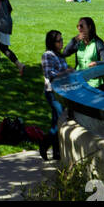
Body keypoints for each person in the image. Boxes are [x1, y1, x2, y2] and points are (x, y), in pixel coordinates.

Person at [39, 30, 70, 160]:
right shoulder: (48, 55)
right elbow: (48, 74)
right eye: (59, 40)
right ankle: (45, 144)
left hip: (62, 92)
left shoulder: (60, 55)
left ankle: (57, 152)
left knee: (56, 121)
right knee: (61, 121)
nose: (61, 42)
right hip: (53, 93)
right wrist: (65, 72)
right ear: (52, 43)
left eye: (62, 39)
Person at [63, 16, 104, 89]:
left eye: (81, 26)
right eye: (78, 26)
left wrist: (96, 63)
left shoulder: (98, 43)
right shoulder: (78, 43)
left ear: (89, 27)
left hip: (94, 82)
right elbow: (65, 53)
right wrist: (74, 39)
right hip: (79, 80)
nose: (79, 28)